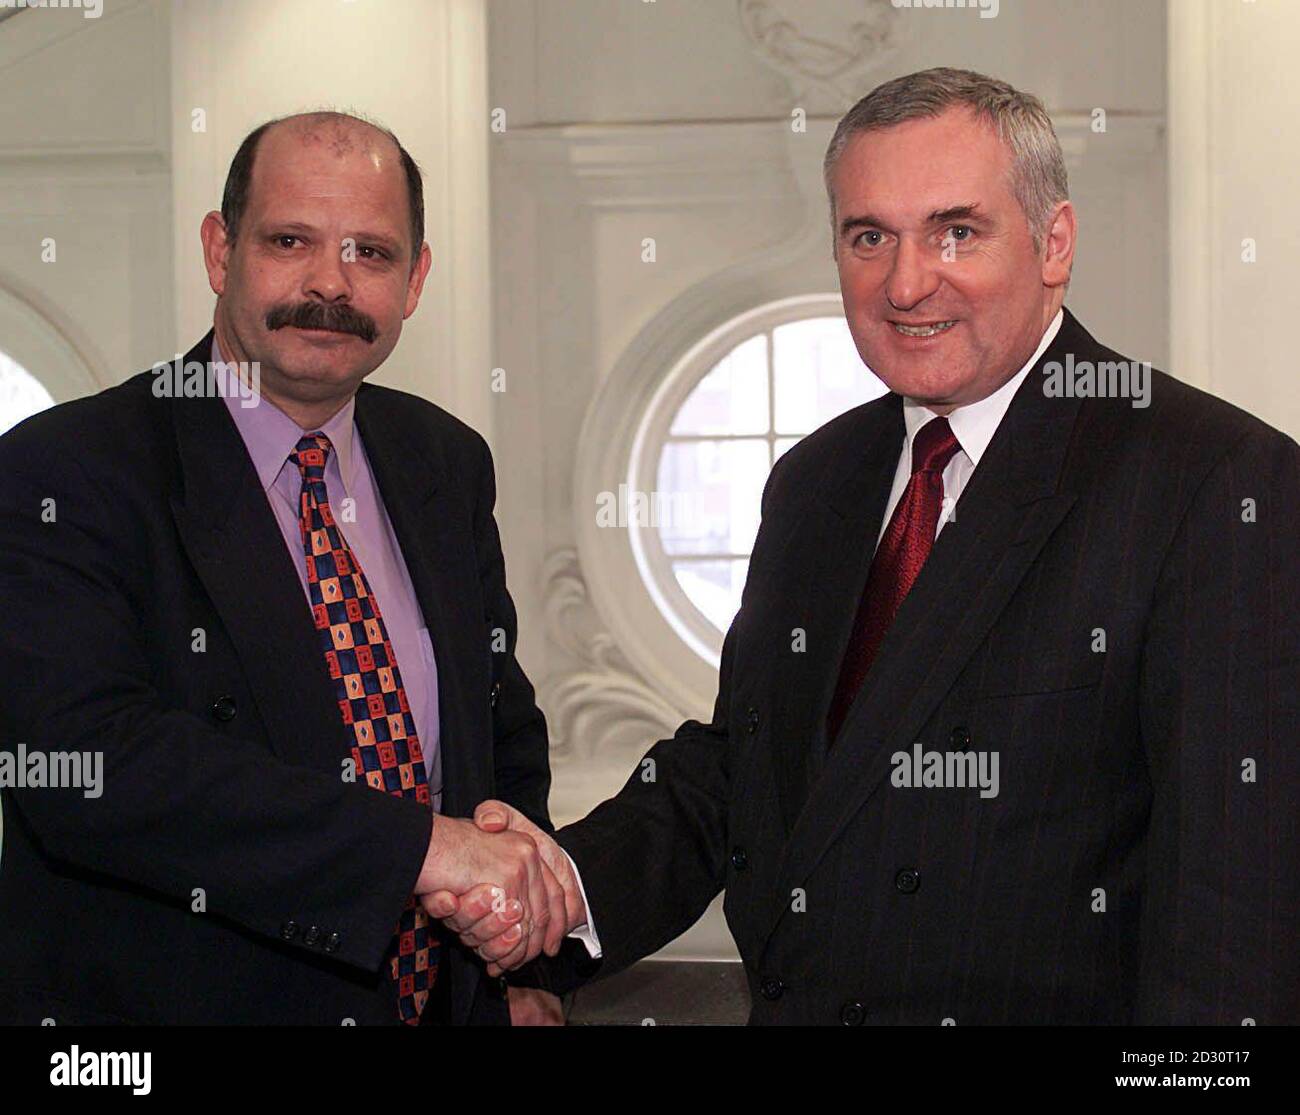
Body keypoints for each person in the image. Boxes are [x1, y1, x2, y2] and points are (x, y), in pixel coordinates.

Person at [435, 68, 1300, 1025]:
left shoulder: (1215, 480)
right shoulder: (815, 482)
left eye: (956, 231)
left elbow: (1238, 909)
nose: (905, 281)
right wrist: (556, 889)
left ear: (1055, 244)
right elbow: (746, 774)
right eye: (869, 236)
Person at [0, 111, 594, 1026]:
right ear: (218, 250)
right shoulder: (66, 467)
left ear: (417, 279)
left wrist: (520, 959)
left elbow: (498, 727)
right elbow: (88, 766)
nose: (330, 283)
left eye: (372, 251)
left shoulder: (444, 459)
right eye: (290, 241)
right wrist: (419, 851)